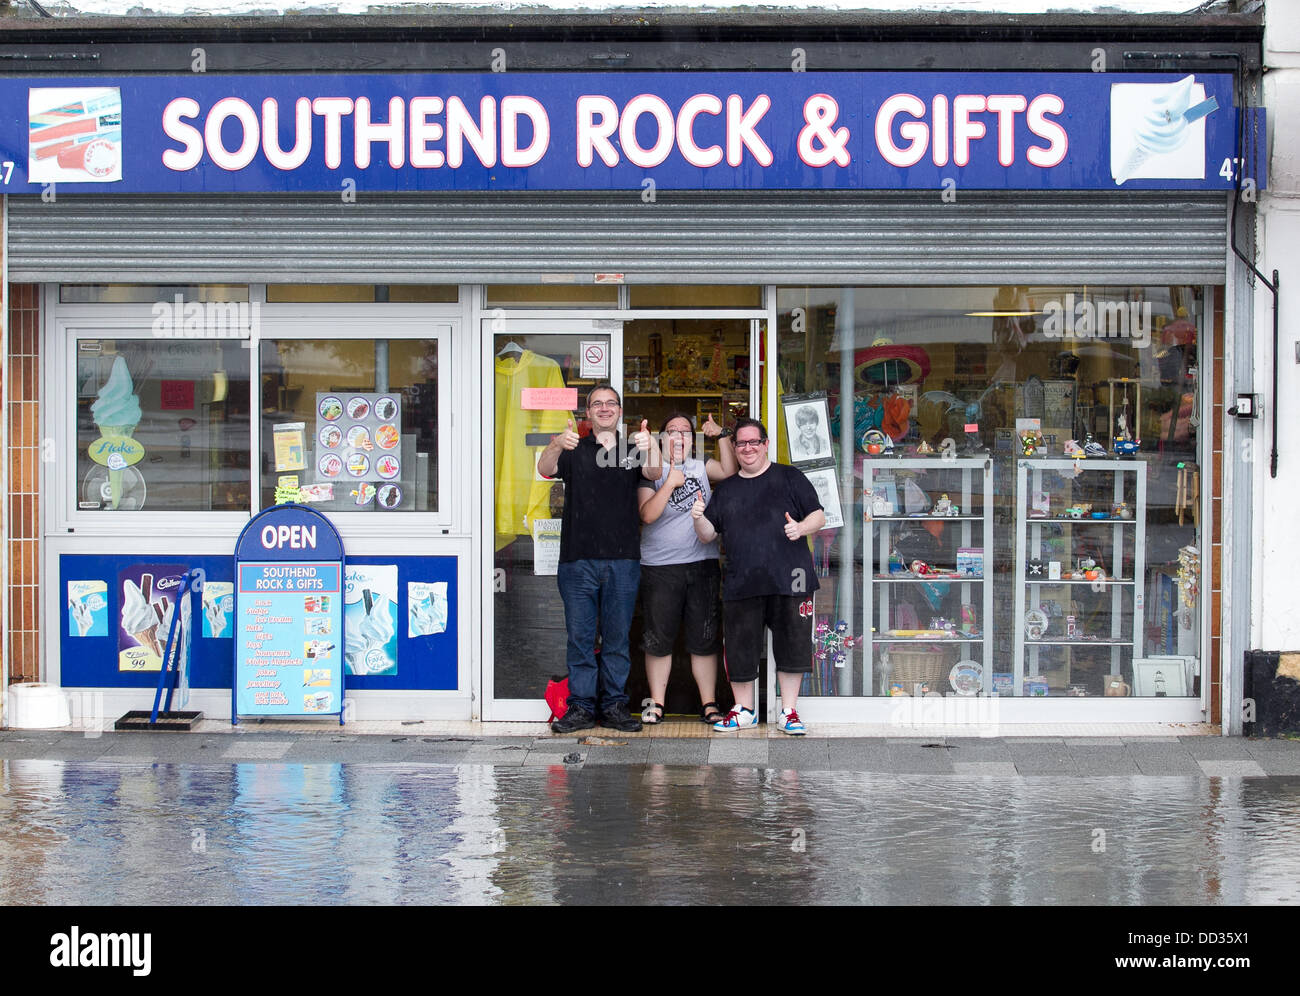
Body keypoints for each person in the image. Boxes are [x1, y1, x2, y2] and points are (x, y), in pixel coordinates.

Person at [692, 417, 825, 735]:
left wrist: (801, 528)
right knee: (740, 646)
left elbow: (819, 515)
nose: (748, 448)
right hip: (742, 580)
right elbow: (707, 535)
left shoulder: (789, 477)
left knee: (792, 644)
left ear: (765, 444)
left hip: (792, 578)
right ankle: (744, 710)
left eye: (754, 442)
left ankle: (789, 710)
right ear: (735, 449)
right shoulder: (726, 489)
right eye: (741, 443)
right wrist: (698, 517)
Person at [538, 384, 649, 734]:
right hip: (577, 560)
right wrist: (557, 442)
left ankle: (615, 706)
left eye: (610, 403)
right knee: (580, 639)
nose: (604, 409)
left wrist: (653, 446)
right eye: (596, 404)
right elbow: (544, 468)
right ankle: (582, 707)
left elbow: (655, 474)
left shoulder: (634, 450)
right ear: (587, 413)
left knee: (617, 639)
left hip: (623, 561)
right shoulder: (574, 448)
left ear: (619, 411)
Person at [637, 412, 737, 725]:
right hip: (659, 566)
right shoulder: (650, 468)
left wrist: (721, 434)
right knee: (658, 638)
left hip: (702, 564)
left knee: (704, 639)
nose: (678, 436)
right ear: (661, 438)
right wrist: (669, 483)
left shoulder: (701, 466)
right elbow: (647, 515)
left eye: (685, 431)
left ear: (692, 439)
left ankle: (708, 703)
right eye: (671, 431)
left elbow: (730, 471)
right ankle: (656, 703)